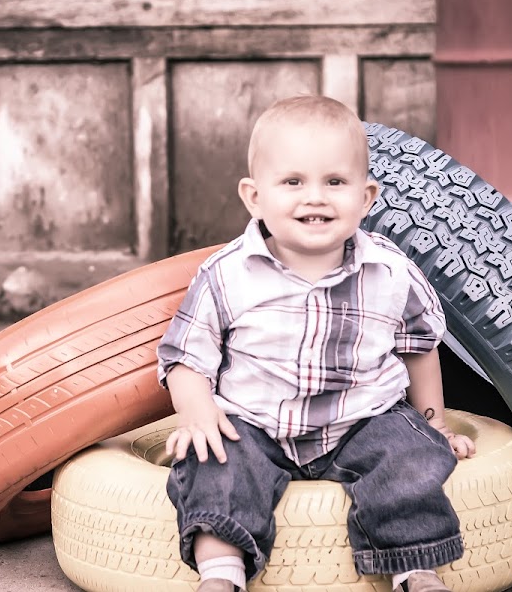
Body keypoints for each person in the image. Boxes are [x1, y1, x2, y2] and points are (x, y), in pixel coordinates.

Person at [156, 95, 477, 592]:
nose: (315, 198)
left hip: (364, 419)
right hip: (255, 424)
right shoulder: (226, 274)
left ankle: (414, 570)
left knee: (410, 456)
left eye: (335, 182)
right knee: (212, 461)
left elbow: (418, 346)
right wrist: (197, 413)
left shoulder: (391, 271)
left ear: (366, 198)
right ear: (254, 197)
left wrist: (434, 423)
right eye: (293, 182)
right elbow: (184, 357)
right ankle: (221, 572)